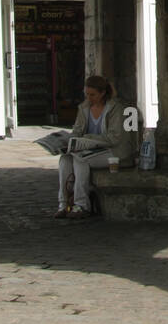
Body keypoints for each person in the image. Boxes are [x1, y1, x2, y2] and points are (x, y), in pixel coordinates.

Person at [55, 74, 137, 220]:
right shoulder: (84, 108)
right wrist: (68, 141)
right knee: (65, 159)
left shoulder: (115, 109)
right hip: (89, 150)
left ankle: (81, 204)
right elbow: (77, 131)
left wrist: (89, 139)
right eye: (86, 94)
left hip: (112, 151)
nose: (89, 98)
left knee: (80, 160)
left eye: (92, 94)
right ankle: (64, 203)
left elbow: (114, 138)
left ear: (102, 93)